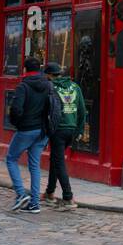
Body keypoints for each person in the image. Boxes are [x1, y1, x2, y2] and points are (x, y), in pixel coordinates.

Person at [4, 57, 51, 213]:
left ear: (25, 69)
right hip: (42, 131)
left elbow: (16, 110)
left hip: (26, 129)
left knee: (11, 158)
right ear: (39, 69)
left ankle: (21, 194)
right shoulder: (48, 85)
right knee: (34, 166)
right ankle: (35, 203)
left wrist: (18, 124)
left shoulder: (23, 86)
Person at [41, 61, 86, 210]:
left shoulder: (51, 87)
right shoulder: (75, 87)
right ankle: (49, 192)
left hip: (58, 129)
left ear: (49, 75)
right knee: (56, 158)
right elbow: (81, 111)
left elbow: (46, 110)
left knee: (59, 162)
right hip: (71, 129)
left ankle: (68, 197)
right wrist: (79, 130)